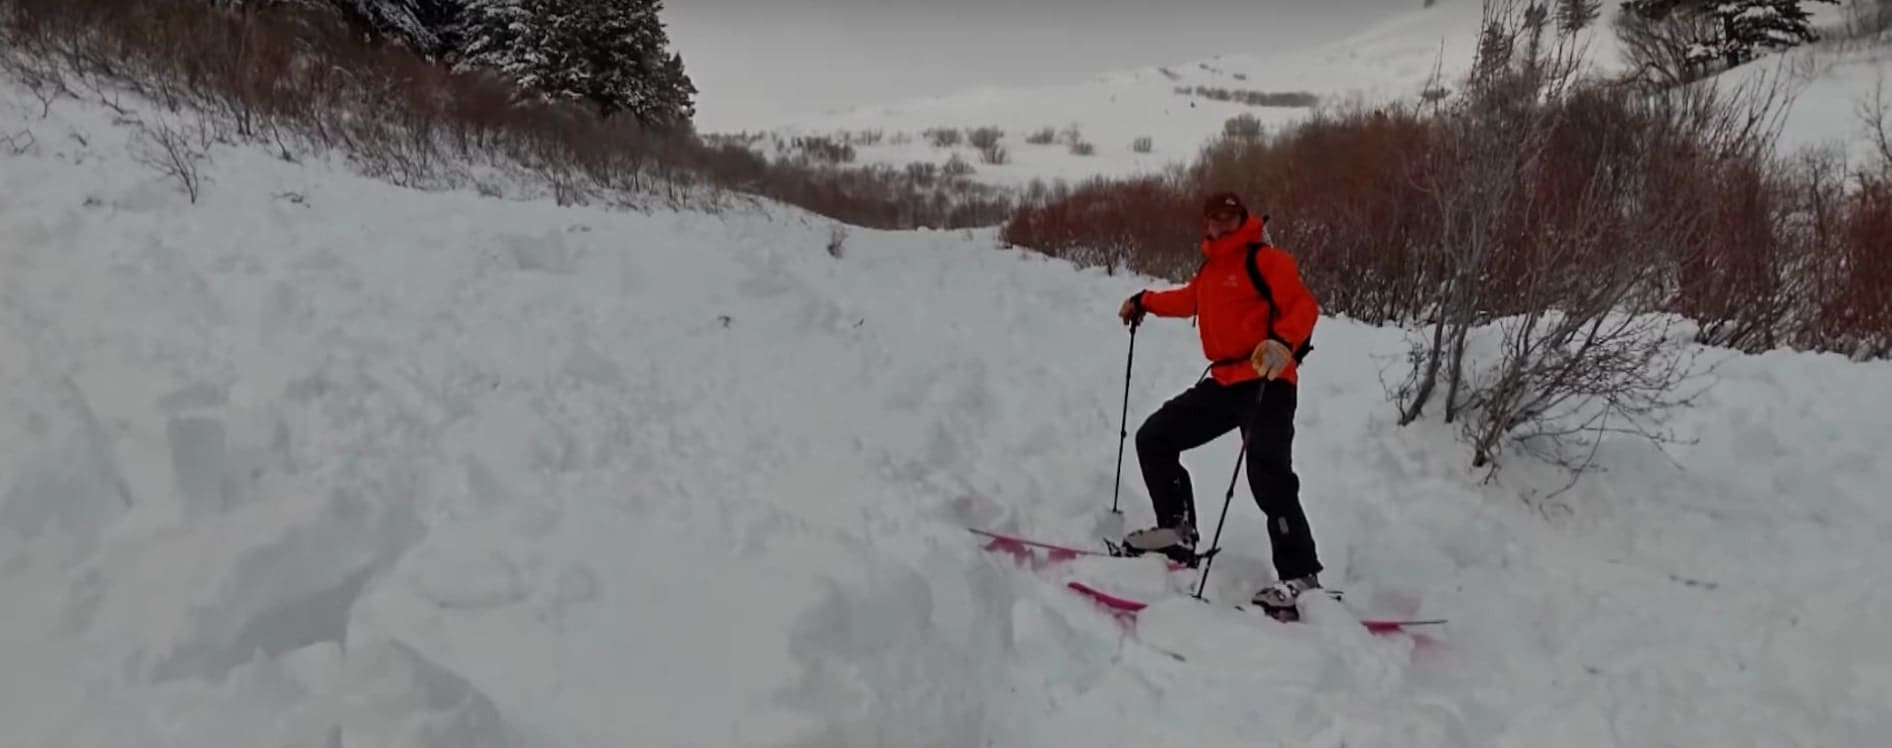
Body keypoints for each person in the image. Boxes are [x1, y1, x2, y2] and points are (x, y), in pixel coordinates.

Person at [1114, 191, 1324, 618]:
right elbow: (1187, 300)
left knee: (1268, 473)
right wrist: (1144, 301)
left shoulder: (1266, 261)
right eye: (1215, 217)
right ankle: (1177, 532)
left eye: (1230, 216)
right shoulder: (1211, 270)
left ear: (1243, 219)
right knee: (1155, 437)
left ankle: (1300, 576)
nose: (1222, 223)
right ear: (1206, 223)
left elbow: (1305, 307)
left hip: (1267, 380)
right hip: (1225, 382)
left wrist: (1283, 342)